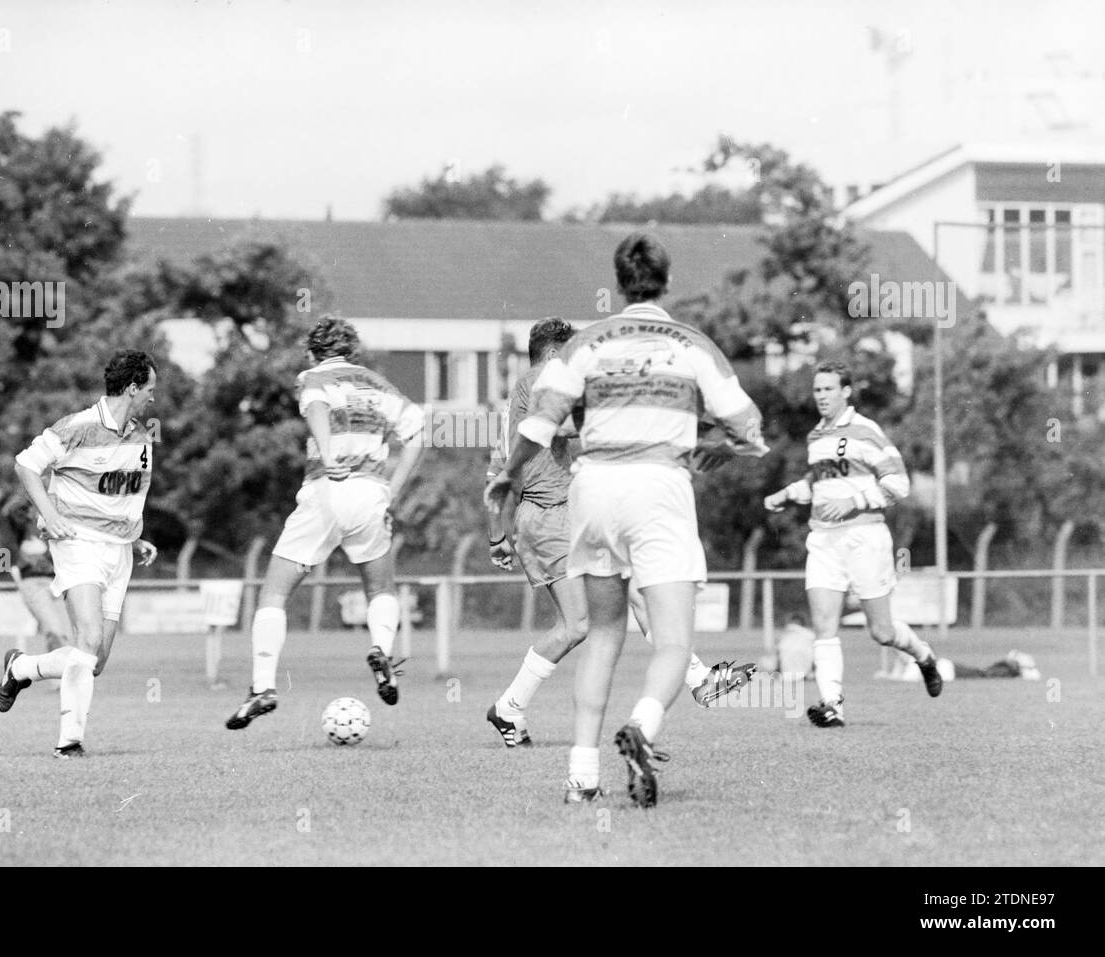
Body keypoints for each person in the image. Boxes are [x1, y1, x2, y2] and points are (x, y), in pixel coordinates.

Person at [486, 233, 769, 807]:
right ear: (667, 282)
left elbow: (540, 424)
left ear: (618, 284)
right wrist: (715, 446)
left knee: (602, 634)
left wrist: (506, 474)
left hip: (592, 491)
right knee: (668, 637)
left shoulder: (585, 345)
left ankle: (581, 777)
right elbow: (751, 431)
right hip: (657, 487)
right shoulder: (692, 344)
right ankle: (646, 721)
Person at [225, 317, 424, 730]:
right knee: (381, 588)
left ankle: (263, 686)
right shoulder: (380, 386)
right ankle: (380, 649)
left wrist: (331, 455)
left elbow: (316, 406)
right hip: (370, 494)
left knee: (274, 595)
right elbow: (417, 437)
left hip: (326, 491)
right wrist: (392, 492)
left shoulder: (314, 376)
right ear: (352, 351)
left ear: (313, 351)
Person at [0, 350, 161, 758]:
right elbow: (25, 465)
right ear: (132, 387)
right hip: (77, 544)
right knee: (86, 639)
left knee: (95, 660)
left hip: (118, 553)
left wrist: (135, 538)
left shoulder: (141, 437)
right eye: (150, 390)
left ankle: (20, 669)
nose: (153, 398)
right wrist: (49, 515)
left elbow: (122, 498)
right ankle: (69, 743)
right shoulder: (77, 427)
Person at [762, 360, 942, 728]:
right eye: (817, 390)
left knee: (882, 632)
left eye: (829, 389)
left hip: (864, 537)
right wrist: (788, 493)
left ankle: (923, 655)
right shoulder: (816, 436)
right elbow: (818, 481)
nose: (822, 396)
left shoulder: (866, 431)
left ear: (846, 391)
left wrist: (854, 501)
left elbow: (899, 484)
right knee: (824, 624)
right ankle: (832, 705)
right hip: (824, 540)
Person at [0, 490, 70, 658]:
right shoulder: (14, 515)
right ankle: (57, 683)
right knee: (55, 632)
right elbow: (4, 546)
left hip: (58, 581)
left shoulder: (55, 511)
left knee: (68, 635)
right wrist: (8, 572)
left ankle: (67, 680)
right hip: (33, 581)